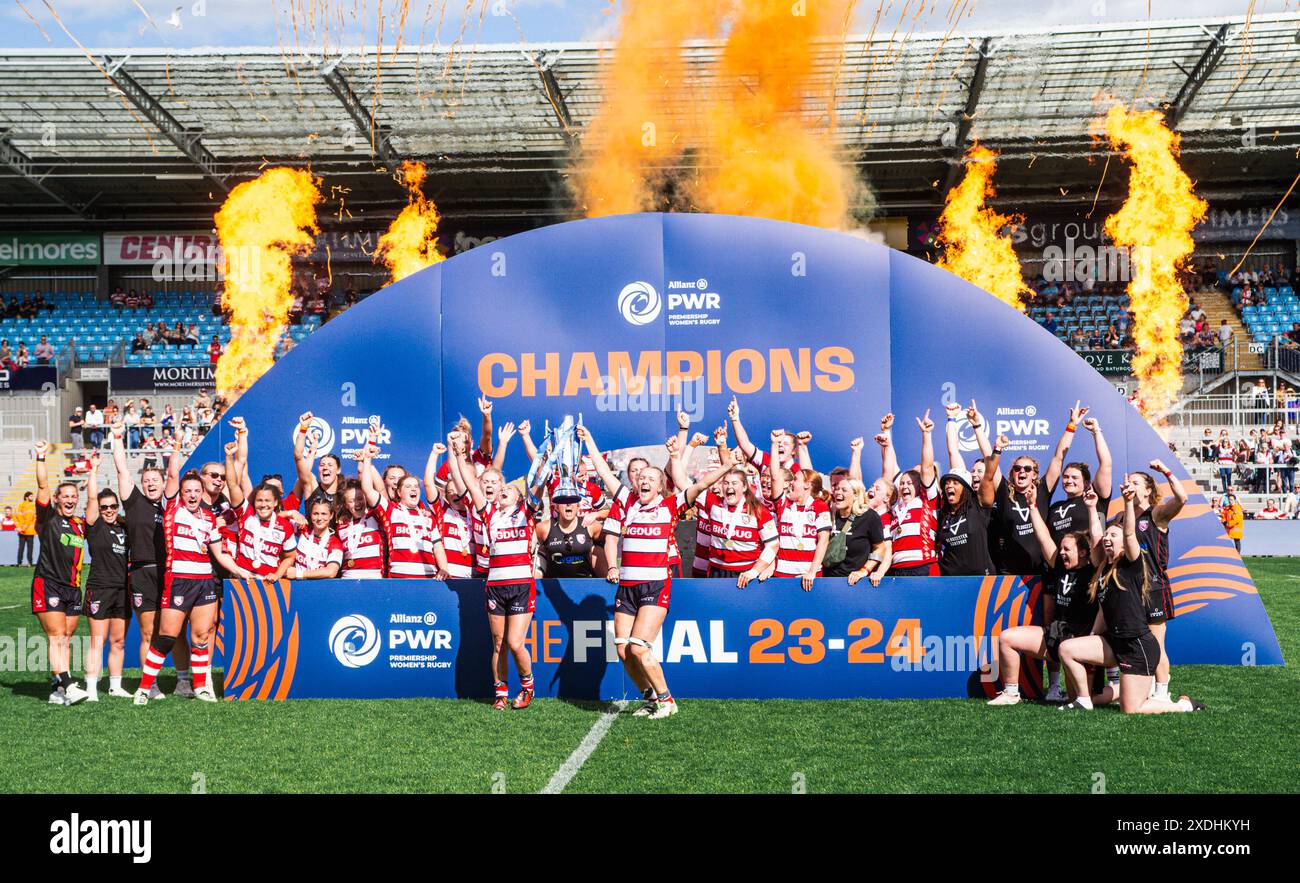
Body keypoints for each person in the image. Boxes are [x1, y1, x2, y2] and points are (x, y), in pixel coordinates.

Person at [580, 422, 733, 718]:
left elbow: (699, 486)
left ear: (661, 485)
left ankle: (667, 700)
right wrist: (589, 439)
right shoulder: (627, 502)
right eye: (642, 478)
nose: (644, 481)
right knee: (623, 649)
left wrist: (726, 467)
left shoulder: (671, 505)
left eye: (652, 478)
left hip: (654, 585)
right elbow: (603, 472)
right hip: (627, 586)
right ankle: (649, 698)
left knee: (638, 647)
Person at [1055, 488, 1205, 713]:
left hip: (1137, 647)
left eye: (1112, 536)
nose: (1107, 538)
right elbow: (1104, 609)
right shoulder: (1104, 570)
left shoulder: (1132, 564)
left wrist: (1127, 504)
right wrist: (1092, 508)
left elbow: (1129, 535)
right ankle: (1084, 700)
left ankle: (1183, 705)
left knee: (1131, 708)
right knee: (1067, 648)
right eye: (1107, 536)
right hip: (1114, 642)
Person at [135, 463, 251, 705]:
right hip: (178, 581)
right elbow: (173, 475)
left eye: (196, 491)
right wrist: (177, 443)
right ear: (181, 493)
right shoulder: (173, 509)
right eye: (187, 491)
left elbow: (219, 555)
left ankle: (201, 688)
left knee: (201, 637)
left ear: (201, 493)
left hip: (204, 583)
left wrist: (242, 572)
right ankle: (144, 688)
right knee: (167, 636)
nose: (192, 495)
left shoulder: (210, 518)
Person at [987, 483, 1101, 706]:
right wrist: (1031, 506)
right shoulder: (1060, 565)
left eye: (1068, 549)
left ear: (1084, 552)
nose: (1063, 552)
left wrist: (1091, 508)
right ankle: (1011, 693)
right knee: (1008, 638)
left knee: (1079, 699)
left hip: (1081, 643)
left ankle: (1116, 691)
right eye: (1062, 549)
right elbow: (1044, 539)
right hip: (1056, 635)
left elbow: (1096, 541)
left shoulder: (1094, 570)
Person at [449, 428, 537, 710]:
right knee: (498, 642)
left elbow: (539, 477)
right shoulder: (488, 513)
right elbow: (470, 483)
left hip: (522, 584)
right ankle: (500, 692)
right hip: (495, 585)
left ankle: (527, 686)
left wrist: (530, 441)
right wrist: (461, 453)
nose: (506, 491)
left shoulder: (526, 512)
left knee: (514, 642)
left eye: (510, 488)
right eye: (503, 490)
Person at [111, 422, 191, 698]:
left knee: (177, 632)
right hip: (143, 573)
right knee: (148, 632)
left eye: (154, 480)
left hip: (171, 572)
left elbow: (174, 473)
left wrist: (177, 443)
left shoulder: (171, 503)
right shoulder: (133, 502)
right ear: (141, 485)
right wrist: (118, 436)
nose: (151, 484)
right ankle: (151, 685)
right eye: (146, 481)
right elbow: (121, 468)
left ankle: (183, 682)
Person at [29, 441, 91, 705]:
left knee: (66, 638)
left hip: (73, 587)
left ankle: (58, 689)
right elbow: (42, 486)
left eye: (73, 497)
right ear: (56, 499)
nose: (69, 500)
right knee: (56, 637)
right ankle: (69, 683)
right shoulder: (48, 519)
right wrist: (41, 457)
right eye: (65, 496)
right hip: (49, 584)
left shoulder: (79, 525)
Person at [1124, 460, 1187, 701]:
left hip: (1154, 588)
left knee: (1156, 642)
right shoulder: (1123, 516)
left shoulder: (1157, 513)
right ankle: (1143, 688)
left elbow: (1182, 498)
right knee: (1136, 641)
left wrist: (1166, 471)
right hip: (1130, 589)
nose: (1130, 485)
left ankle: (1162, 691)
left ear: (1148, 490)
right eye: (1128, 481)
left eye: (1136, 482)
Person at [360, 437, 449, 580]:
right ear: (399, 492)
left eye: (415, 486)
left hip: (428, 579)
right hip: (398, 578)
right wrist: (367, 459)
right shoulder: (390, 510)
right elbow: (368, 489)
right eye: (408, 486)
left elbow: (438, 547)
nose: (413, 489)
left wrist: (444, 568)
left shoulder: (428, 516)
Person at [83, 454, 132, 700]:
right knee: (97, 641)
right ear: (98, 510)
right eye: (105, 507)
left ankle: (115, 685)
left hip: (123, 589)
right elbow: (92, 497)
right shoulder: (94, 525)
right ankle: (91, 688)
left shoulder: (124, 525)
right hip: (100, 588)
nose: (110, 510)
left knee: (119, 641)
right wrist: (93, 470)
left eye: (114, 506)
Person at [765, 430, 831, 590]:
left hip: (808, 577)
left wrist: (812, 572)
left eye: (795, 479)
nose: (791, 483)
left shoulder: (820, 506)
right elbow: (775, 477)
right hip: (781, 576)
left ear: (807, 485)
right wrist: (774, 444)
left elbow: (823, 540)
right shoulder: (783, 503)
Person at [878, 412, 940, 575]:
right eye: (903, 483)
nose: (905, 485)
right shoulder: (896, 506)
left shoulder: (927, 501)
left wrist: (926, 434)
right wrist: (886, 434)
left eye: (910, 483)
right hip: (896, 569)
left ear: (920, 486)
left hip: (923, 566)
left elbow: (927, 467)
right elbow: (889, 469)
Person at [334, 468, 387, 579]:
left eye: (360, 498)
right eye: (352, 501)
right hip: (348, 580)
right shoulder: (341, 527)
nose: (357, 503)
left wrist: (368, 464)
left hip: (374, 579)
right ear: (346, 505)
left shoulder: (376, 517)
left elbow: (382, 491)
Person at [293, 411, 342, 512]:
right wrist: (303, 429)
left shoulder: (345, 494)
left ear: (338, 470)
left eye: (330, 465)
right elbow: (298, 456)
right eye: (322, 464)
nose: (325, 467)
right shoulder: (311, 487)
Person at [289, 499, 344, 579]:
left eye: (324, 514)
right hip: (297, 586)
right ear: (310, 515)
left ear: (331, 515)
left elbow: (331, 572)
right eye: (315, 514)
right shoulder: (303, 529)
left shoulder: (335, 544)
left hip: (318, 588)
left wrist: (299, 574)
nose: (319, 518)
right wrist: (292, 513)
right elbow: (277, 518)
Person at [15, 491, 36, 566]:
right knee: (30, 548)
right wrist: (23, 528)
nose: (32, 498)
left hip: (21, 531)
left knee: (21, 547)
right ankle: (29, 563)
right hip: (29, 531)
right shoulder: (31, 505)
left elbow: (15, 517)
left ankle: (19, 563)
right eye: (31, 496)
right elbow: (29, 519)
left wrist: (19, 528)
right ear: (26, 497)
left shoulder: (19, 505)